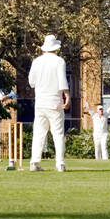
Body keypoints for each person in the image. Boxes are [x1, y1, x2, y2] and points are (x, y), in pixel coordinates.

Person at [28, 35, 70, 172]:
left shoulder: (36, 61)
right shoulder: (59, 61)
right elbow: (63, 81)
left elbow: (31, 82)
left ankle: (34, 162)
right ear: (56, 48)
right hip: (54, 101)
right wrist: (67, 96)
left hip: (40, 102)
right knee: (58, 134)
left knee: (39, 133)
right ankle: (60, 163)